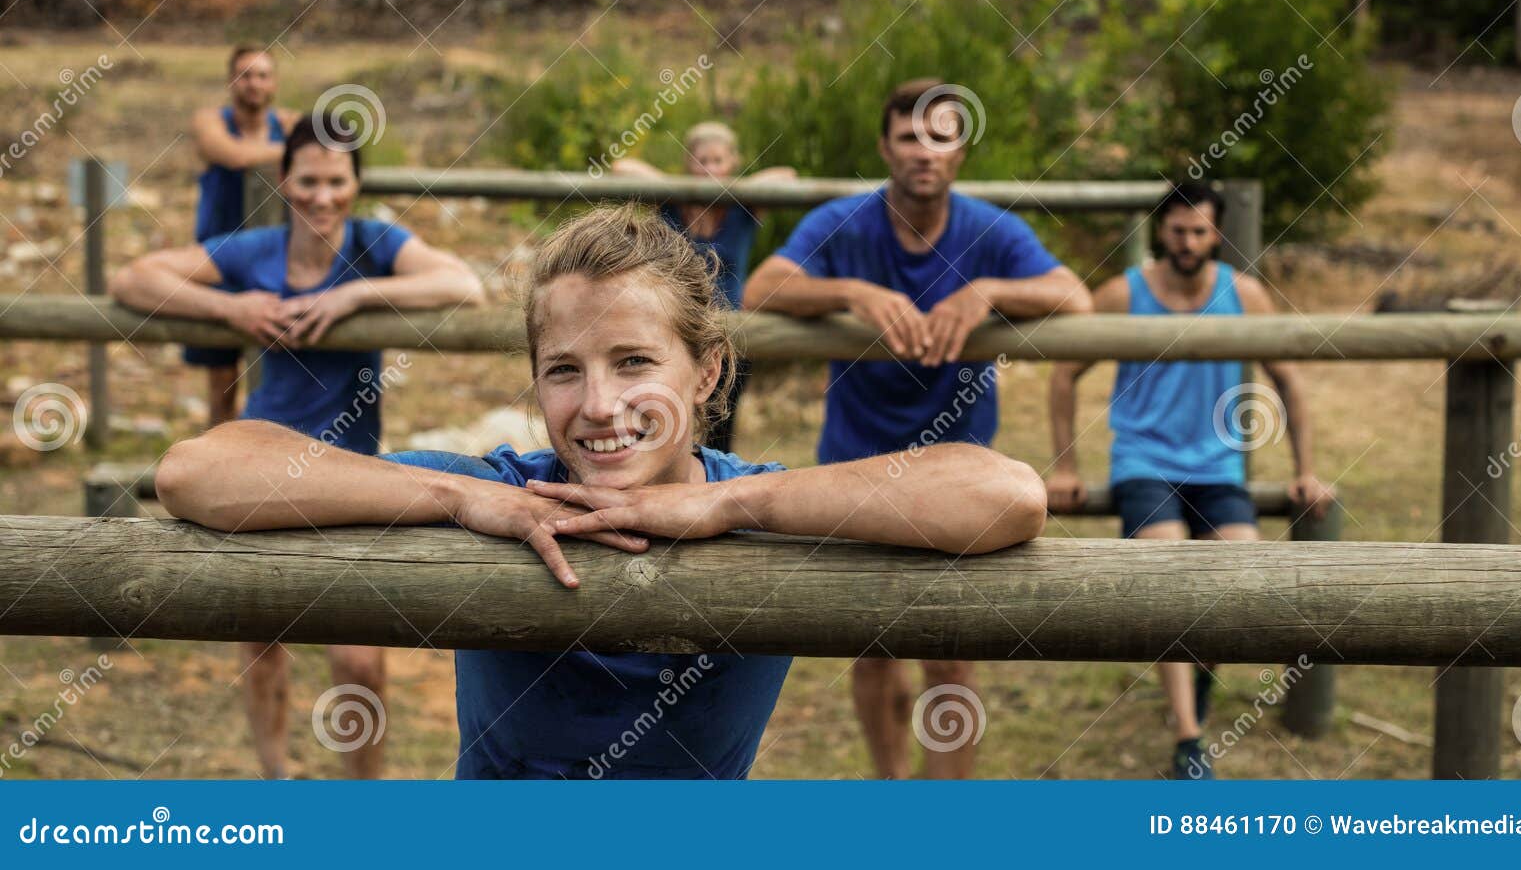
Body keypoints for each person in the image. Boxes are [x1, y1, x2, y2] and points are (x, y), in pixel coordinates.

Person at [151, 205, 1048, 780]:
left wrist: (731, 507)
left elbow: (1003, 492)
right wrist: (455, 499)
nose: (599, 406)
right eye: (563, 371)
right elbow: (196, 471)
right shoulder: (503, 490)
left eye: (633, 362)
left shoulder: (761, 506)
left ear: (709, 369)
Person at [110, 111, 486, 779]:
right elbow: (135, 278)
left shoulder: (375, 244)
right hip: (261, 459)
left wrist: (354, 299)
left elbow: (463, 282)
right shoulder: (256, 251)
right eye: (308, 179)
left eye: (336, 180)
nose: (322, 195)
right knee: (260, 637)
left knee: (359, 657)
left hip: (351, 475)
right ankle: (276, 778)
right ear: (284, 180)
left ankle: (361, 804)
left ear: (355, 184)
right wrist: (233, 309)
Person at [742, 78, 1091, 780]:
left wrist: (988, 290)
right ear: (885, 146)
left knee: (951, 649)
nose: (924, 152)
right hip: (855, 465)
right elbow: (760, 289)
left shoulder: (990, 231)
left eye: (941, 137)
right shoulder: (844, 222)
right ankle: (890, 789)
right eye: (909, 136)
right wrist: (851, 290)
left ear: (960, 152)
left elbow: (1073, 294)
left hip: (953, 469)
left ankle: (946, 813)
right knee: (871, 645)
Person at [1045, 180, 1332, 780]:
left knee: (1235, 587)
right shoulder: (1123, 294)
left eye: (1200, 231)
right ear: (1160, 232)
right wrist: (1065, 464)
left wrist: (1305, 471)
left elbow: (1290, 380)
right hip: (1145, 461)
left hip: (1218, 465)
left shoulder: (1244, 295)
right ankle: (1188, 740)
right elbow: (1064, 370)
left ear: (1217, 234)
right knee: (1168, 581)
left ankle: (1195, 690)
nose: (1189, 242)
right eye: (1178, 230)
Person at [610, 121, 797, 451]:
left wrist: (733, 188)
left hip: (731, 334)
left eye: (717, 161)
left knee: (721, 426)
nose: (709, 169)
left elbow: (787, 176)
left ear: (732, 163)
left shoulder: (743, 208)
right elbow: (621, 167)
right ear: (688, 164)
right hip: (673, 329)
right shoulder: (671, 203)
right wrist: (677, 187)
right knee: (668, 417)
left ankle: (711, 489)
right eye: (701, 161)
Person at [184, 45, 299, 429]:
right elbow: (229, 153)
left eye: (263, 75)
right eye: (245, 75)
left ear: (275, 82)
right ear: (232, 81)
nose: (254, 84)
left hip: (274, 260)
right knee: (221, 382)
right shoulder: (210, 120)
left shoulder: (289, 123)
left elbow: (328, 152)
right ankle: (216, 467)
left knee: (275, 375)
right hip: (218, 261)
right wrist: (288, 153)